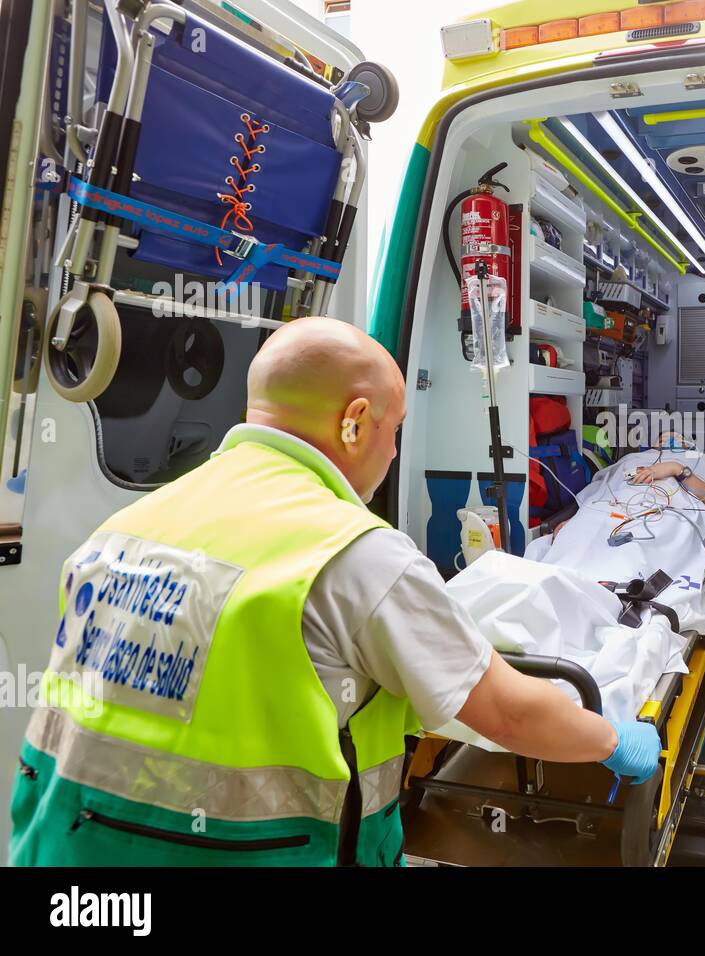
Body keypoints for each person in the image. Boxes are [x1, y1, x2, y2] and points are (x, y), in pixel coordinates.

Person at [9, 317, 660, 867]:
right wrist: (611, 740)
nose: (392, 446)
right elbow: (508, 711)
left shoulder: (125, 527)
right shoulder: (355, 556)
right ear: (355, 422)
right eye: (394, 427)